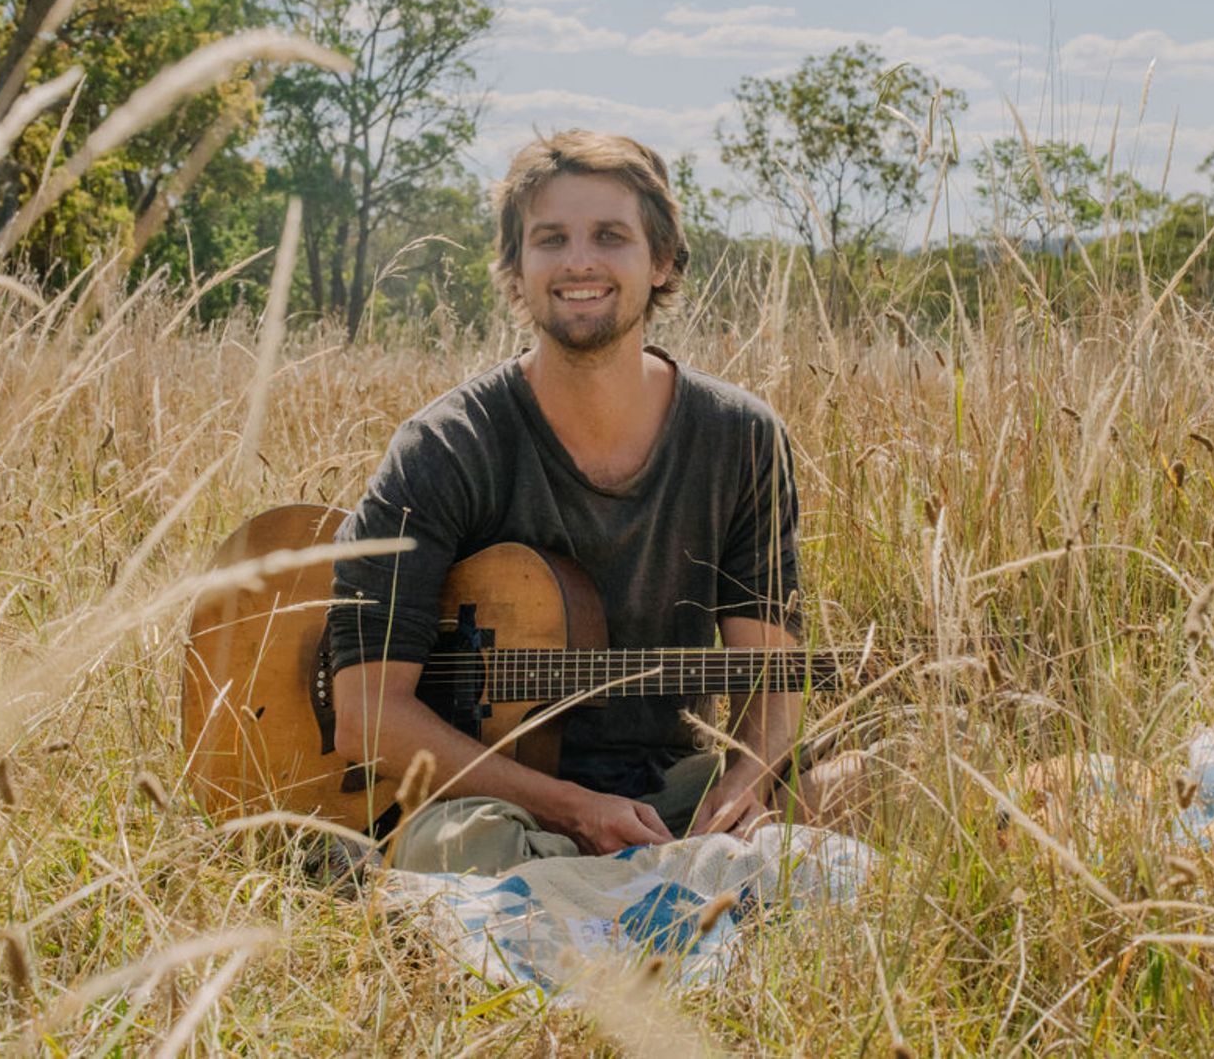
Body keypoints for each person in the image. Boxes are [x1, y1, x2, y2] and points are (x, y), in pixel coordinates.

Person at [325, 130, 861, 874]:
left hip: (666, 790)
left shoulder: (741, 437)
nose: (579, 261)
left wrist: (745, 781)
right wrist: (569, 807)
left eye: (610, 235)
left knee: (875, 782)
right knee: (463, 847)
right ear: (517, 270)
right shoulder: (446, 446)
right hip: (490, 801)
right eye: (551, 239)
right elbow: (365, 715)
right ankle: (656, 891)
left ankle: (615, 891)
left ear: (662, 260)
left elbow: (769, 676)